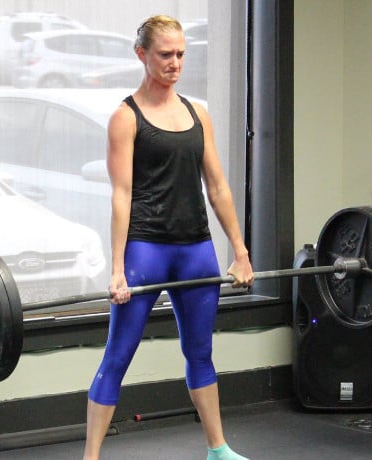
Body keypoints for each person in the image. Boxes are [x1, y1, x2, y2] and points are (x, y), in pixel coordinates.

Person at [83, 14, 254, 460]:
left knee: (201, 352)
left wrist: (240, 252)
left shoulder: (198, 114)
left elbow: (217, 187)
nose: (175, 62)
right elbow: (121, 196)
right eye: (165, 54)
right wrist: (117, 270)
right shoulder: (126, 118)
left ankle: (218, 449)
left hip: (195, 248)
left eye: (180, 54)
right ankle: (91, 457)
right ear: (142, 55)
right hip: (146, 247)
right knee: (118, 355)